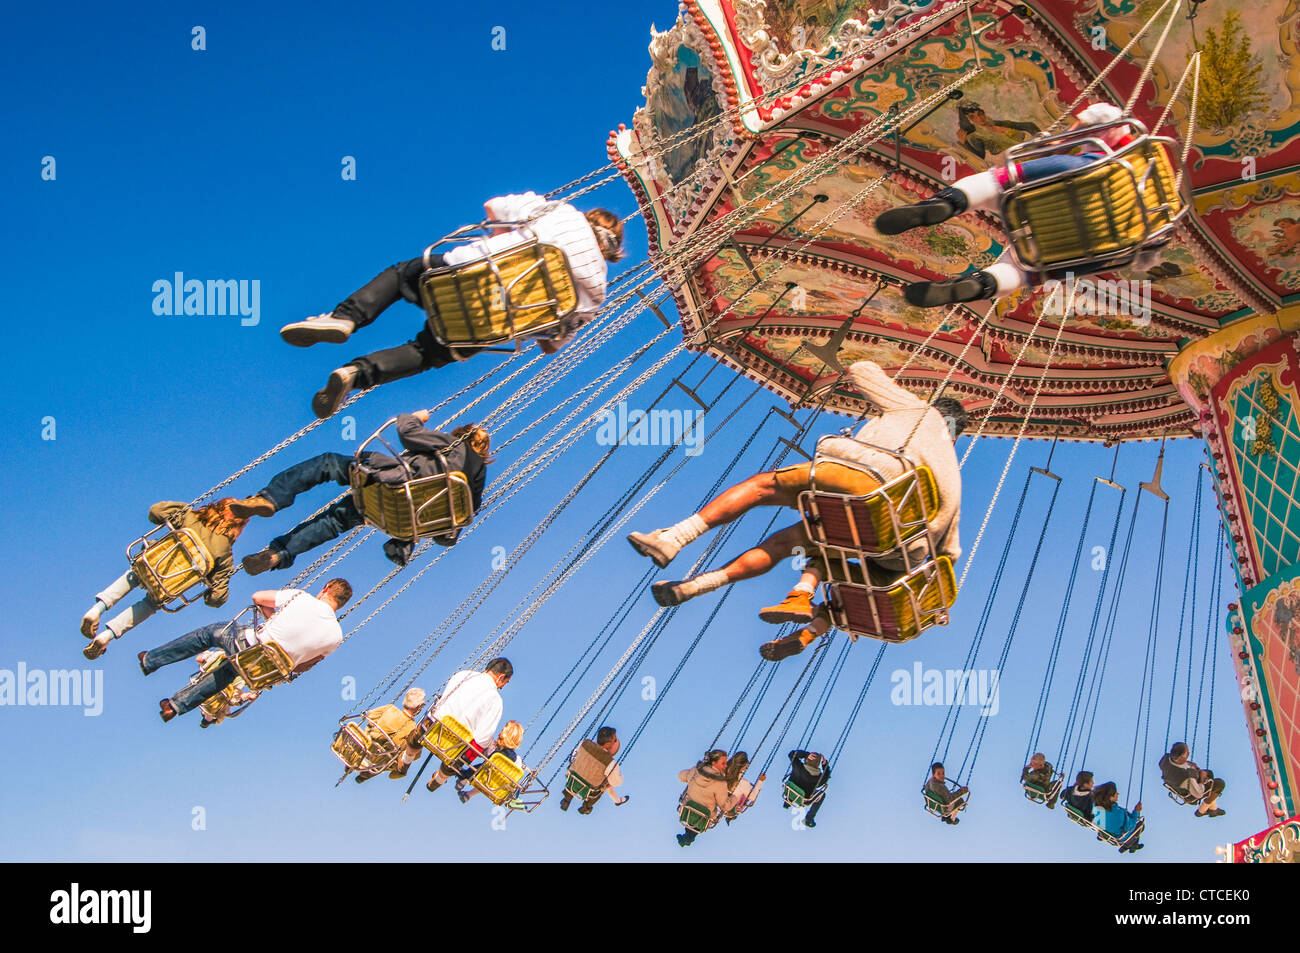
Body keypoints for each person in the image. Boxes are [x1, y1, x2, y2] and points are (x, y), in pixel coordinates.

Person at [628, 360, 965, 661]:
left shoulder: (920, 411)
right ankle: (713, 589)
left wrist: (869, 363)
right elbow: (950, 552)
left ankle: (675, 537)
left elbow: (863, 373)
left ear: (936, 409)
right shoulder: (952, 474)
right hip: (894, 546)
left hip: (866, 483)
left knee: (763, 489)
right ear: (956, 435)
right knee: (823, 554)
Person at [277, 194, 626, 419]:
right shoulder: (596, 297)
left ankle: (344, 319)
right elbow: (552, 343)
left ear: (589, 216)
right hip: (486, 326)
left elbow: (492, 206)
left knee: (403, 275)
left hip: (463, 274)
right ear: (612, 252)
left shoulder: (559, 212)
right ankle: (355, 375)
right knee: (426, 352)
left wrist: (507, 235)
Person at [875, 103, 1167, 307]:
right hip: (1097, 242)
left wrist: (1057, 145)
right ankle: (982, 284)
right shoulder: (1153, 188)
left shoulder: (1111, 148)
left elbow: (1087, 127)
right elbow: (1143, 258)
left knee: (996, 183)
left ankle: (946, 204)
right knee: (1025, 270)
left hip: (1077, 183)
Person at [235, 413, 490, 575]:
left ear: (461, 435)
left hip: (389, 486)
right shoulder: (475, 482)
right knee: (335, 521)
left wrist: (416, 418)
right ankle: (278, 554)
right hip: (402, 521)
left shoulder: (452, 445)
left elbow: (407, 433)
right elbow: (449, 535)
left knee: (328, 464)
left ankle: (270, 498)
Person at [140, 579, 352, 722]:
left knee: (210, 634)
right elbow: (306, 665)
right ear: (341, 605)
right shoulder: (336, 637)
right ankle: (175, 706)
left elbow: (258, 597)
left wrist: (275, 619)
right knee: (230, 671)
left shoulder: (301, 598)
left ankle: (151, 660)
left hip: (249, 645)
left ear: (325, 588)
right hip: (264, 671)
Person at [81, 499, 247, 660]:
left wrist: (183, 511)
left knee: (135, 574)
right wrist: (209, 586)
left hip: (149, 563)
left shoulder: (190, 517)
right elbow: (216, 599)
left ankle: (97, 609)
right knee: (151, 604)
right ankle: (107, 635)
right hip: (168, 586)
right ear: (237, 528)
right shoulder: (225, 555)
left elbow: (155, 511)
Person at [399, 657, 513, 790]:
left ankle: (406, 760)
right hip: (455, 747)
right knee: (468, 754)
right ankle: (440, 778)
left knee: (419, 732)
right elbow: (483, 738)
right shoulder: (496, 700)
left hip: (433, 730)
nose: (503, 687)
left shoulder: (463, 675)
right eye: (506, 682)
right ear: (501, 677)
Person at [353, 688, 427, 782]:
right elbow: (416, 755)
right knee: (404, 753)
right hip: (383, 760)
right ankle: (374, 771)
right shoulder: (412, 728)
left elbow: (370, 716)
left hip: (367, 746)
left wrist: (378, 728)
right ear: (419, 706)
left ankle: (354, 758)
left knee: (370, 731)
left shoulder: (389, 708)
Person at [560, 726, 629, 814]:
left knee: (577, 770)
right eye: (615, 740)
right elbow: (617, 782)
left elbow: (573, 757)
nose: (616, 741)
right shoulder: (610, 763)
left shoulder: (584, 743)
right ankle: (586, 807)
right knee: (604, 786)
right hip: (589, 792)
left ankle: (566, 799)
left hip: (571, 779)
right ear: (608, 744)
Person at [456, 720, 525, 803]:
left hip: (484, 776)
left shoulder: (499, 755)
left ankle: (462, 781)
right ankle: (468, 793)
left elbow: (484, 766)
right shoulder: (514, 758)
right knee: (487, 777)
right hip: (495, 785)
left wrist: (466, 774)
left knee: (481, 768)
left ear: (505, 734)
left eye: (503, 730)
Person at [676, 749, 730, 847]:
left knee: (693, 818)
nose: (726, 766)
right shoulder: (720, 783)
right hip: (704, 819)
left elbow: (680, 776)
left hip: (686, 812)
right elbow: (725, 806)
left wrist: (691, 773)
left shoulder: (696, 771)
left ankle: (687, 838)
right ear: (714, 763)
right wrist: (734, 798)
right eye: (723, 763)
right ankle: (687, 838)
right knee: (699, 820)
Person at [1158, 742, 1226, 818]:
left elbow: (1173, 764)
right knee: (1219, 784)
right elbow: (1198, 793)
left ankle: (1213, 808)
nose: (1189, 754)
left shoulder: (1166, 758)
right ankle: (1202, 810)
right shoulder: (1188, 777)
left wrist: (1186, 763)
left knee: (1209, 773)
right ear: (1181, 757)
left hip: (1175, 783)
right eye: (1187, 753)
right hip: (1190, 794)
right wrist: (1202, 778)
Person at [1093, 782, 1144, 853]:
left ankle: (1131, 846)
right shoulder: (1120, 813)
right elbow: (1131, 826)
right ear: (1110, 797)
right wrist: (1136, 811)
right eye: (1116, 793)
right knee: (1140, 824)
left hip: (1105, 829)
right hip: (1119, 837)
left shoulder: (1095, 806)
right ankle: (1129, 845)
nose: (1118, 794)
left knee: (1128, 819)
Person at [784, 750, 831, 827]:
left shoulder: (798, 766)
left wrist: (806, 754)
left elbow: (791, 754)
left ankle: (789, 799)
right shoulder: (819, 778)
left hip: (789, 790)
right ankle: (808, 819)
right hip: (804, 800)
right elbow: (827, 776)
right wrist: (825, 765)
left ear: (806, 760)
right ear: (818, 765)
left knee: (796, 783)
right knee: (822, 794)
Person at [722, 752, 765, 824]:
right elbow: (751, 797)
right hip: (729, 803)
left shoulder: (722, 773)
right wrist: (760, 781)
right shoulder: (744, 784)